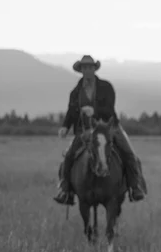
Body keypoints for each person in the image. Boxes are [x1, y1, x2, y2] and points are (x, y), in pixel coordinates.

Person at [53, 55, 147, 204]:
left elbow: (109, 109)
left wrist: (94, 110)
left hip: (110, 128)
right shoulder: (75, 92)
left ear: (94, 69)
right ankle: (65, 189)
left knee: (129, 154)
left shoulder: (106, 87)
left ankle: (135, 187)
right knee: (69, 157)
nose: (87, 70)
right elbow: (71, 112)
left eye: (90, 67)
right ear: (81, 70)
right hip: (85, 130)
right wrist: (65, 126)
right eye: (85, 68)